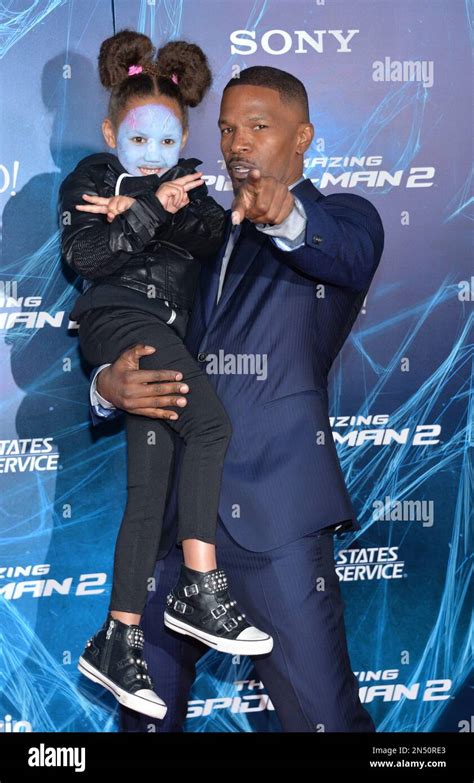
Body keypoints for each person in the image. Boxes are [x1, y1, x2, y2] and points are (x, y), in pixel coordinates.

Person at [88, 65, 384, 732]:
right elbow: (140, 319)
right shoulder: (201, 232)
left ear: (302, 136)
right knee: (143, 722)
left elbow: (339, 249)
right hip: (174, 524)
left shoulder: (344, 218)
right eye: (226, 129)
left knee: (324, 722)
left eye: (258, 126)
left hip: (275, 527)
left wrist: (287, 213)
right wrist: (107, 385)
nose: (237, 143)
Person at [58, 30, 273, 722]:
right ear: (110, 133)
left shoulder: (192, 188)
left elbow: (209, 235)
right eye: (138, 139)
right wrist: (147, 206)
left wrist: (156, 205)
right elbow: (88, 256)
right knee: (210, 426)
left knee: (149, 491)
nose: (153, 154)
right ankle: (198, 587)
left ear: (183, 139)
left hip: (162, 338)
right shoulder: (92, 178)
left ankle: (117, 638)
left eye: (167, 140)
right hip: (120, 321)